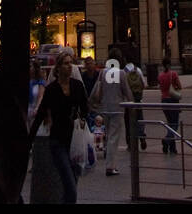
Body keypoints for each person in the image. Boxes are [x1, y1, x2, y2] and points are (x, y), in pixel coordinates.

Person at [28, 52, 89, 204]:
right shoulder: (52, 89)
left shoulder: (77, 86)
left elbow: (85, 108)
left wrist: (82, 120)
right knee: (69, 185)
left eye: (71, 63)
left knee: (72, 182)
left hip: (74, 140)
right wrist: (29, 140)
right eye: (66, 63)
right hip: (58, 141)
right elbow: (41, 113)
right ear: (58, 67)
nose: (69, 66)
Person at [90, 48, 133, 176]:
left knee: (109, 136)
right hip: (117, 109)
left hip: (105, 108)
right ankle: (110, 166)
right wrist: (133, 104)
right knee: (114, 138)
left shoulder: (103, 72)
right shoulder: (121, 73)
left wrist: (92, 103)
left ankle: (110, 164)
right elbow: (127, 91)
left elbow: (97, 89)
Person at [157, 54, 182, 155]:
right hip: (172, 100)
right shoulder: (174, 74)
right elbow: (179, 86)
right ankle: (167, 140)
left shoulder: (160, 75)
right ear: (169, 64)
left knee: (170, 123)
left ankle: (172, 148)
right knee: (174, 124)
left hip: (164, 100)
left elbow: (161, 87)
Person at [123, 60, 147, 150]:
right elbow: (144, 84)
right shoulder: (138, 70)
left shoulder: (124, 72)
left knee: (128, 122)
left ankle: (130, 143)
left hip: (128, 102)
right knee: (140, 119)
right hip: (138, 99)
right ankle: (142, 138)